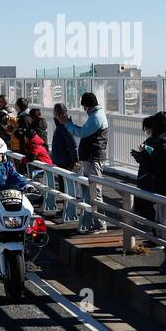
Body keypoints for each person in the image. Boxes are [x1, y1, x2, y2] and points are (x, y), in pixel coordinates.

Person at [130, 112, 166, 258]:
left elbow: (153, 167)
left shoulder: (162, 144)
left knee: (163, 223)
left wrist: (142, 155)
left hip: (164, 188)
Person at [59, 92, 109, 232]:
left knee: (95, 192)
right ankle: (96, 222)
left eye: (84, 106)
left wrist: (68, 124)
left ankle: (100, 224)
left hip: (94, 158)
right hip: (91, 158)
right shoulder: (96, 115)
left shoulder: (96, 117)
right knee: (91, 191)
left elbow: (81, 133)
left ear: (87, 106)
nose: (83, 109)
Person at [51, 102, 79, 196]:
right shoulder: (63, 125)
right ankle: (65, 208)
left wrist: (75, 160)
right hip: (63, 160)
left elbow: (72, 144)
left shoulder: (64, 126)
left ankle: (67, 208)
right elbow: (72, 144)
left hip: (65, 161)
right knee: (64, 185)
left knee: (66, 186)